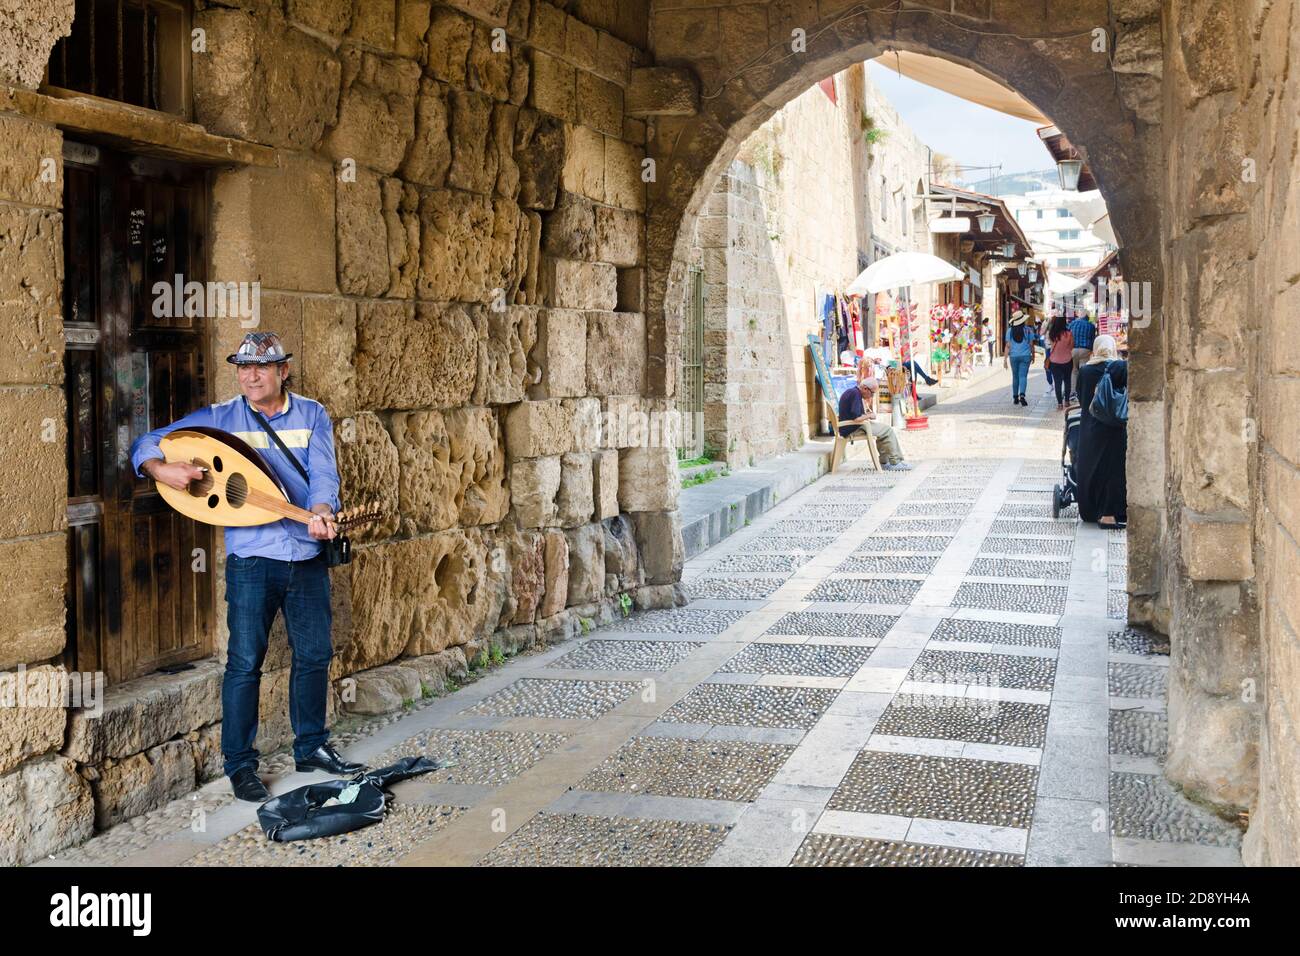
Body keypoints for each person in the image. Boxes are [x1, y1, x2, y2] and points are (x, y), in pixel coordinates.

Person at [130, 331, 365, 803]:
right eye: (243, 368)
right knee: (244, 663)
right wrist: (161, 469)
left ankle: (312, 747)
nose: (250, 376)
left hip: (305, 555)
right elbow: (149, 441)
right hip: (252, 560)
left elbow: (324, 475)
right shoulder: (220, 418)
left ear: (283, 371)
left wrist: (321, 511)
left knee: (315, 654)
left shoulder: (313, 414)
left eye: (261, 367)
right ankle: (240, 764)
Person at [1074, 334, 1127, 528]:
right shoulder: (1121, 368)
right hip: (1115, 427)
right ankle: (1110, 514)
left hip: (1091, 428)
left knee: (1091, 468)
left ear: (1096, 348)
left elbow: (1081, 398)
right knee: (1114, 469)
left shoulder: (1086, 371)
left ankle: (1091, 510)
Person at [838, 367, 911, 471]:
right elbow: (856, 418)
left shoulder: (854, 392)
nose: (871, 396)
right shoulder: (855, 394)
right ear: (864, 388)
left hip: (852, 426)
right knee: (888, 431)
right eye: (872, 393)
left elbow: (855, 414)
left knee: (883, 432)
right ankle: (895, 461)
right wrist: (870, 416)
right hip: (853, 428)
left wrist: (866, 413)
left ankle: (885, 462)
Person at [1003, 309, 1036, 406]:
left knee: (1015, 376)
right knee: (1023, 376)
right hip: (1026, 356)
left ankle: (1015, 397)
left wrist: (1005, 359)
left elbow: (1007, 345)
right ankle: (1022, 395)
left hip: (1013, 356)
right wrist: (1033, 355)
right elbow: (1031, 344)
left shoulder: (1010, 331)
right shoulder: (1028, 330)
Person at [1046, 314, 1076, 409]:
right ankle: (1067, 401)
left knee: (1057, 382)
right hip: (1067, 361)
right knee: (1067, 381)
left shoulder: (1052, 334)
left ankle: (1059, 404)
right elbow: (1071, 347)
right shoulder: (1069, 334)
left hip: (1054, 362)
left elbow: (1049, 346)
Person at [1068, 312, 1097, 391]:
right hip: (1085, 350)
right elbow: (1093, 339)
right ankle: (1082, 391)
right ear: (1087, 318)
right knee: (1083, 371)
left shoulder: (1072, 323)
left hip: (1073, 349)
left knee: (1074, 371)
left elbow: (1067, 335)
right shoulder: (1091, 326)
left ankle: (1073, 392)